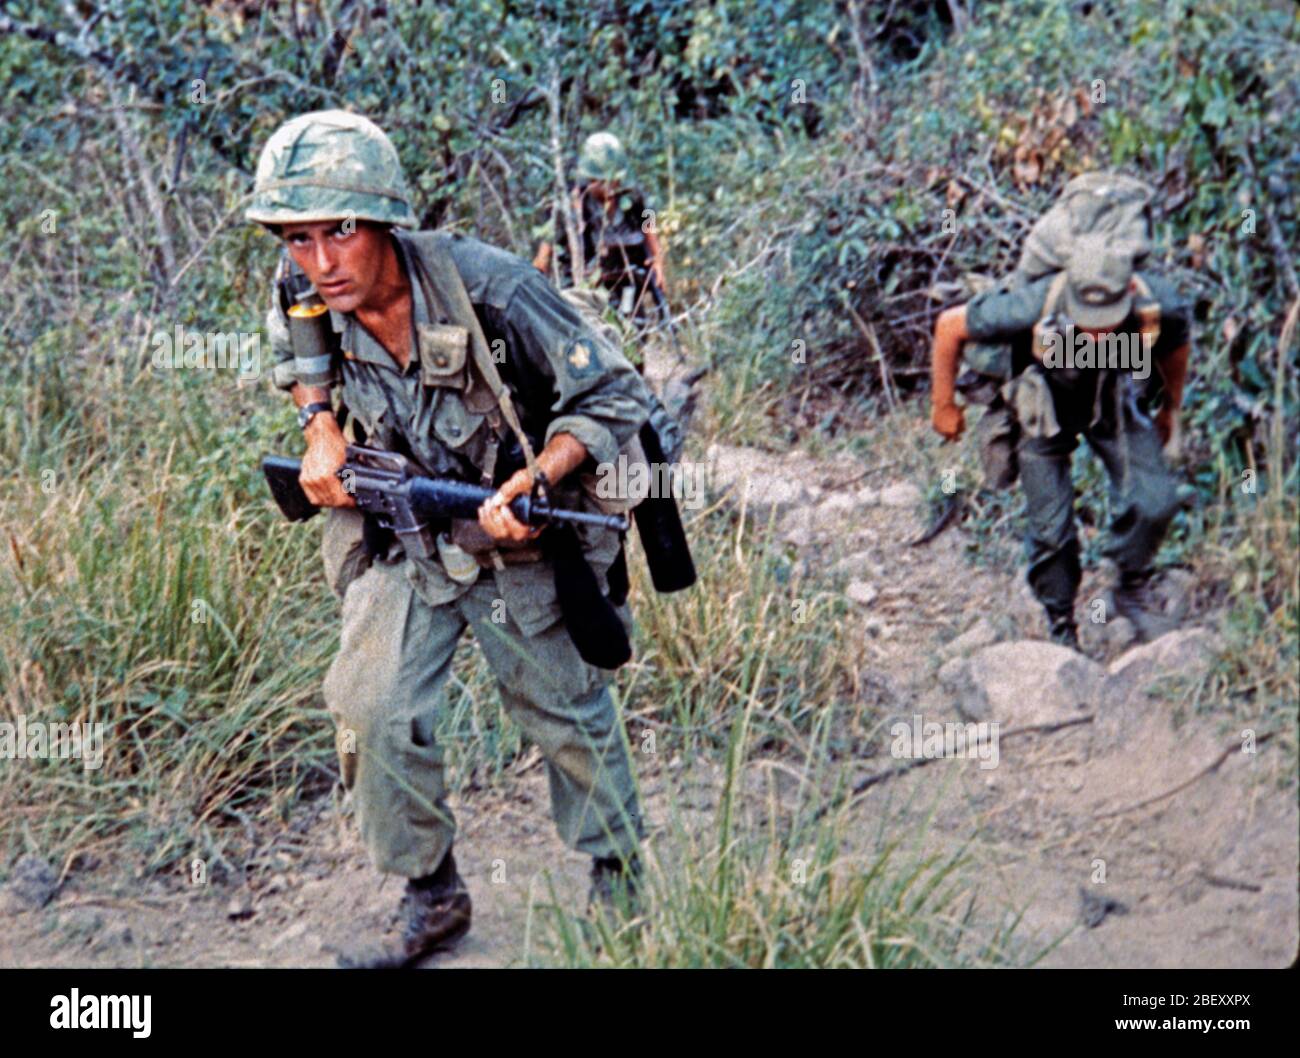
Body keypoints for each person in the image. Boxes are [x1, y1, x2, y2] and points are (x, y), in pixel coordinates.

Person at [246, 110, 651, 968]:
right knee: (369, 708)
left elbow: (617, 395)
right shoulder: (303, 291)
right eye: (297, 236)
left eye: (340, 231)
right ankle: (432, 892)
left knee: (567, 715)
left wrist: (540, 479)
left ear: (384, 219)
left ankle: (618, 876)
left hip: (520, 538)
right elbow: (302, 367)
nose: (319, 259)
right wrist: (320, 431)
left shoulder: (491, 289)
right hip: (405, 538)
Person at [929, 216, 1192, 649]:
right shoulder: (1034, 301)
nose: (1093, 328)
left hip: (1112, 402)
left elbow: (1176, 345)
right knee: (1052, 531)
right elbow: (950, 326)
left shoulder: (1155, 302)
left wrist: (1170, 410)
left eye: (1104, 318)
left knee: (1156, 499)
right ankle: (1060, 624)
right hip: (1045, 410)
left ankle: (1129, 581)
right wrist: (944, 405)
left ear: (1127, 292)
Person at [533, 131, 668, 340]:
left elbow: (649, 220)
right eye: (602, 181)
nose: (610, 186)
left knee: (632, 327)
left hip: (627, 272)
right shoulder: (575, 201)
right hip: (588, 272)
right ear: (591, 179)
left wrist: (657, 260)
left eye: (613, 180)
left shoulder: (632, 197)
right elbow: (551, 234)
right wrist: (542, 262)